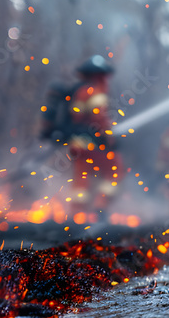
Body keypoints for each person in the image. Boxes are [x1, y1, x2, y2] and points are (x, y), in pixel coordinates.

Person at [42, 55, 123, 219]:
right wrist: (110, 139)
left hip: (77, 144)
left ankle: (77, 214)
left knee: (82, 177)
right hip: (90, 143)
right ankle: (101, 207)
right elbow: (99, 118)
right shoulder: (95, 92)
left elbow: (78, 117)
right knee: (115, 168)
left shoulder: (80, 91)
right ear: (99, 75)